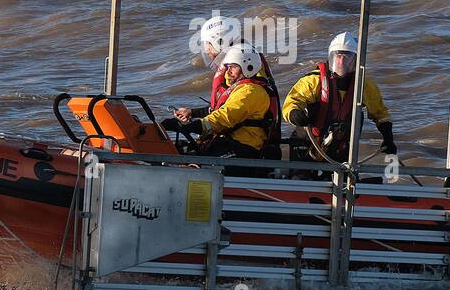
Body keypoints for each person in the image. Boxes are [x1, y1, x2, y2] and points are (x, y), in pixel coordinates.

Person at [171, 15, 282, 158]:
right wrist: (193, 113)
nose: (208, 51)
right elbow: (228, 105)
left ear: (219, 42)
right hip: (228, 135)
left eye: (209, 45)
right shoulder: (239, 64)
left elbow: (235, 110)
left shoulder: (250, 78)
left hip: (244, 144)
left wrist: (196, 126)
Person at [283, 31, 396, 164]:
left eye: (346, 57)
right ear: (331, 57)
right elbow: (292, 102)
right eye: (338, 56)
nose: (341, 61)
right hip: (307, 144)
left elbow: (380, 113)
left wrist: (388, 138)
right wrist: (295, 115)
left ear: (355, 61)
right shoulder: (314, 81)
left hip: (340, 148)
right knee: (300, 178)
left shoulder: (364, 86)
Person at [162, 44, 276, 172]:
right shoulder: (240, 89)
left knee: (199, 167)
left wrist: (192, 126)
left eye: (233, 67)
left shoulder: (251, 91)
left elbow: (225, 116)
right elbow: (219, 110)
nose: (228, 72)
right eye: (228, 67)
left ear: (248, 67)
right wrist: (192, 114)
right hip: (229, 144)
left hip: (245, 150)